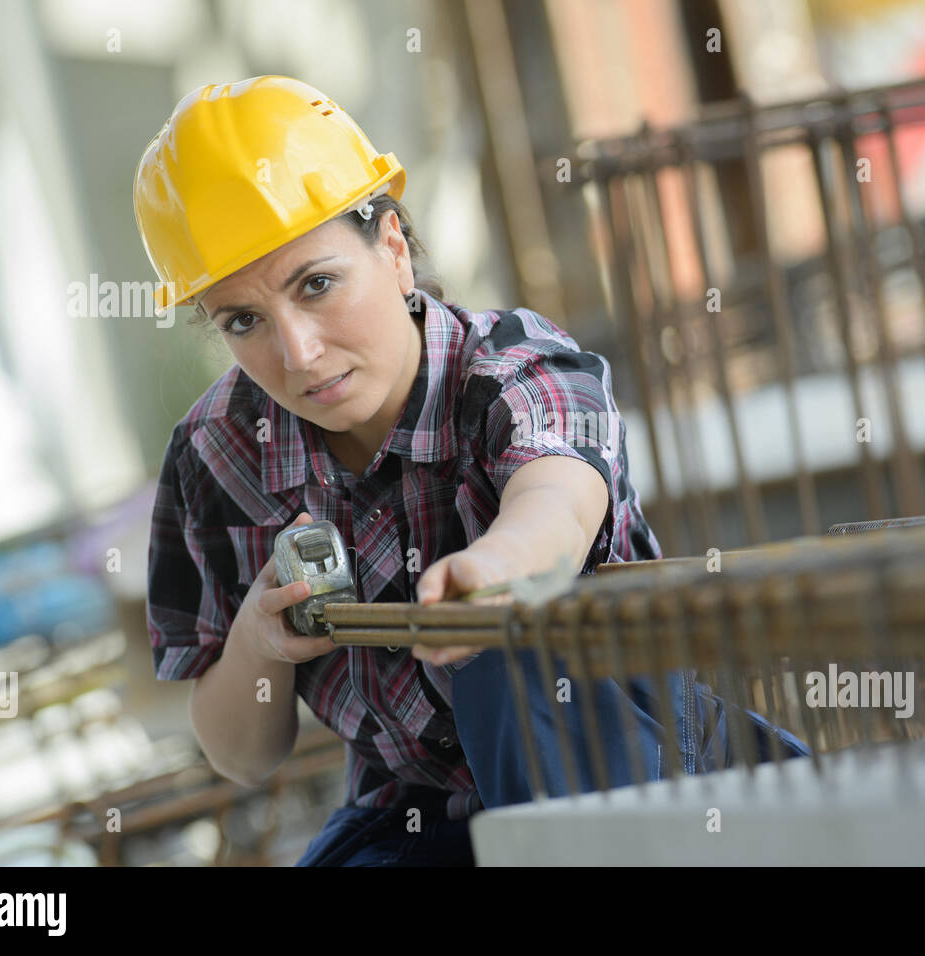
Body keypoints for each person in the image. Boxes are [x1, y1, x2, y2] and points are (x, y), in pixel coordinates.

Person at [136, 75, 807, 867]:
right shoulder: (215, 456)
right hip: (422, 817)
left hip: (640, 782)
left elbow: (557, 500)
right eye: (243, 321)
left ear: (391, 249)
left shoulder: (514, 370)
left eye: (316, 285)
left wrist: (493, 571)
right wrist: (258, 644)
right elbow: (241, 756)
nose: (297, 353)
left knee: (503, 652)